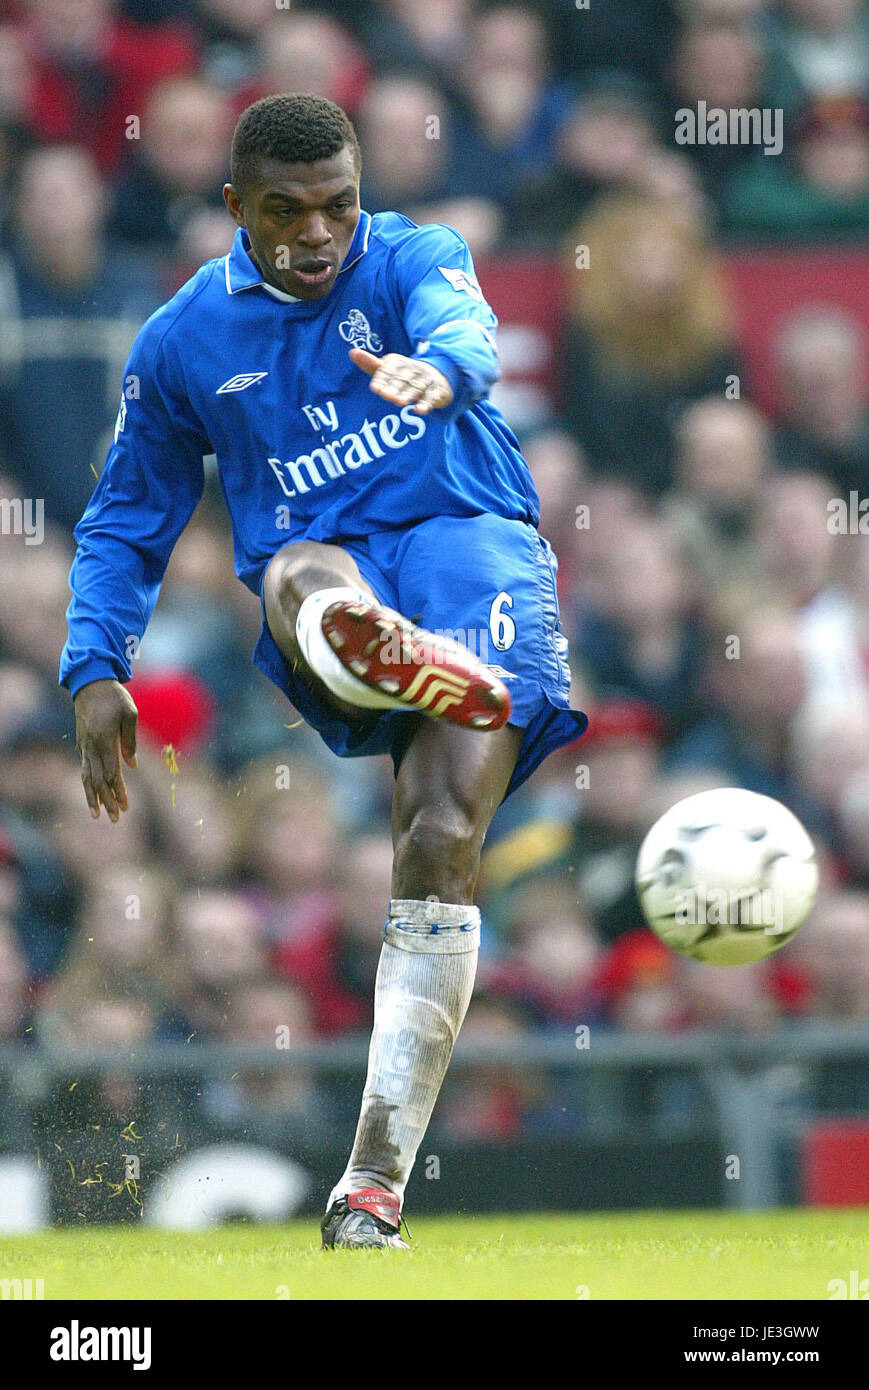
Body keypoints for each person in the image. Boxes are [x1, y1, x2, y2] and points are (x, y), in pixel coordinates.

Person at [59, 93, 586, 1249]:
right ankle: (373, 646)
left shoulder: (410, 255)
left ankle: (371, 1187)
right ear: (235, 206)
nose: (318, 233)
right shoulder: (184, 338)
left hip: (467, 543)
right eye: (287, 211)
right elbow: (123, 519)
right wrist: (96, 666)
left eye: (338, 204)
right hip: (332, 574)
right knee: (298, 567)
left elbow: (468, 333)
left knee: (441, 834)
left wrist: (439, 374)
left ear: (361, 193)